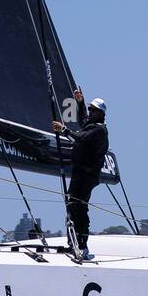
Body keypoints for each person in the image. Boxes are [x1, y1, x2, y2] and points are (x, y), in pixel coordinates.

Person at [52, 88, 109, 260]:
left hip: (86, 176)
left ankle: (82, 245)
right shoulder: (92, 124)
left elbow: (80, 138)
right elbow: (84, 120)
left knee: (79, 208)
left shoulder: (99, 130)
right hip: (79, 175)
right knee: (71, 207)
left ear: (101, 114)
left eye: (93, 110)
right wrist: (80, 103)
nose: (90, 112)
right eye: (90, 109)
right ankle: (73, 243)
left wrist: (63, 130)